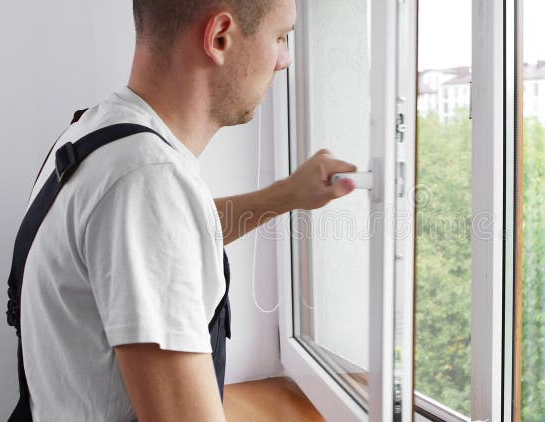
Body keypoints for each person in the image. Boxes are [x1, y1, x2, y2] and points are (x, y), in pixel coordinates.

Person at [18, 0, 356, 420]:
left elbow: (172, 237)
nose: (283, 61)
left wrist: (288, 194)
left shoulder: (99, 130)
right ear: (219, 38)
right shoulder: (146, 180)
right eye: (280, 37)